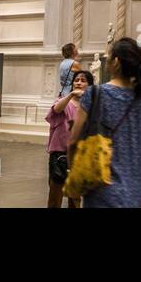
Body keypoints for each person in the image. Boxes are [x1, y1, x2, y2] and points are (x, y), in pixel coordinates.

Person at [68, 38, 141, 208]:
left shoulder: (94, 94)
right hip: (135, 193)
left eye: (109, 55)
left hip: (101, 190)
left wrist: (74, 171)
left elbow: (73, 140)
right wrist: (133, 149)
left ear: (117, 62)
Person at [47, 69, 93, 208]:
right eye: (76, 80)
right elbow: (56, 110)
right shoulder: (64, 102)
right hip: (59, 156)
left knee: (75, 199)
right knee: (55, 196)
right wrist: (71, 95)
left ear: (89, 86)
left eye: (83, 80)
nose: (79, 83)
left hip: (79, 155)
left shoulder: (89, 106)